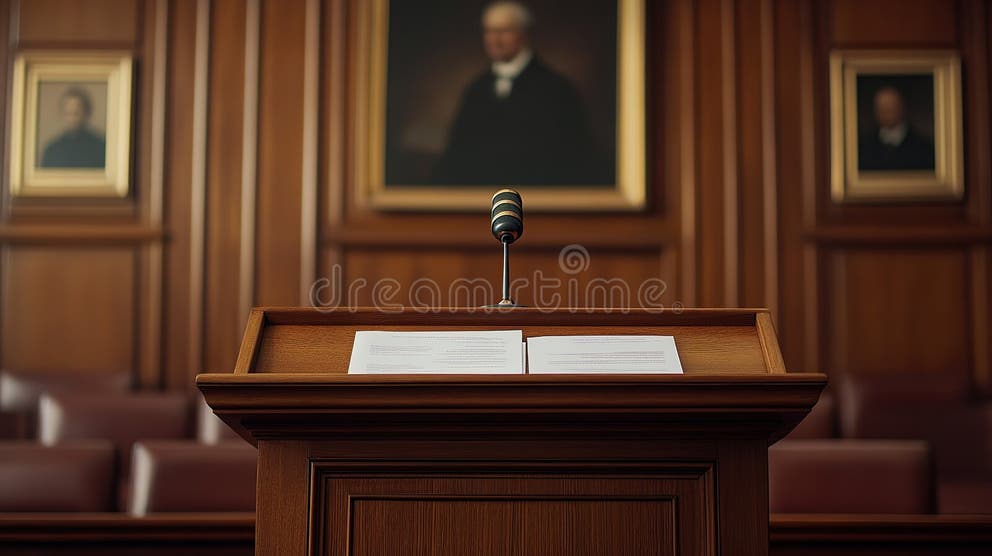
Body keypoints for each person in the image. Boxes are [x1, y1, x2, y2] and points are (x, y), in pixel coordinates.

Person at [434, 1, 606, 185]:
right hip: (482, 200)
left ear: (524, 34)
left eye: (504, 31)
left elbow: (574, 157)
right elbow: (456, 155)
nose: (494, 40)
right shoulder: (475, 89)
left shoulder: (556, 89)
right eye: (489, 31)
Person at [858, 86, 935, 172]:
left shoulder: (923, 148)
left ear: (902, 108)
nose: (885, 112)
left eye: (890, 107)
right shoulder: (864, 146)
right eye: (881, 107)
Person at [40, 87, 106, 169]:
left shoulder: (100, 147)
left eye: (76, 112)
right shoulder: (52, 150)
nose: (73, 118)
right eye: (69, 113)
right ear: (63, 114)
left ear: (87, 113)